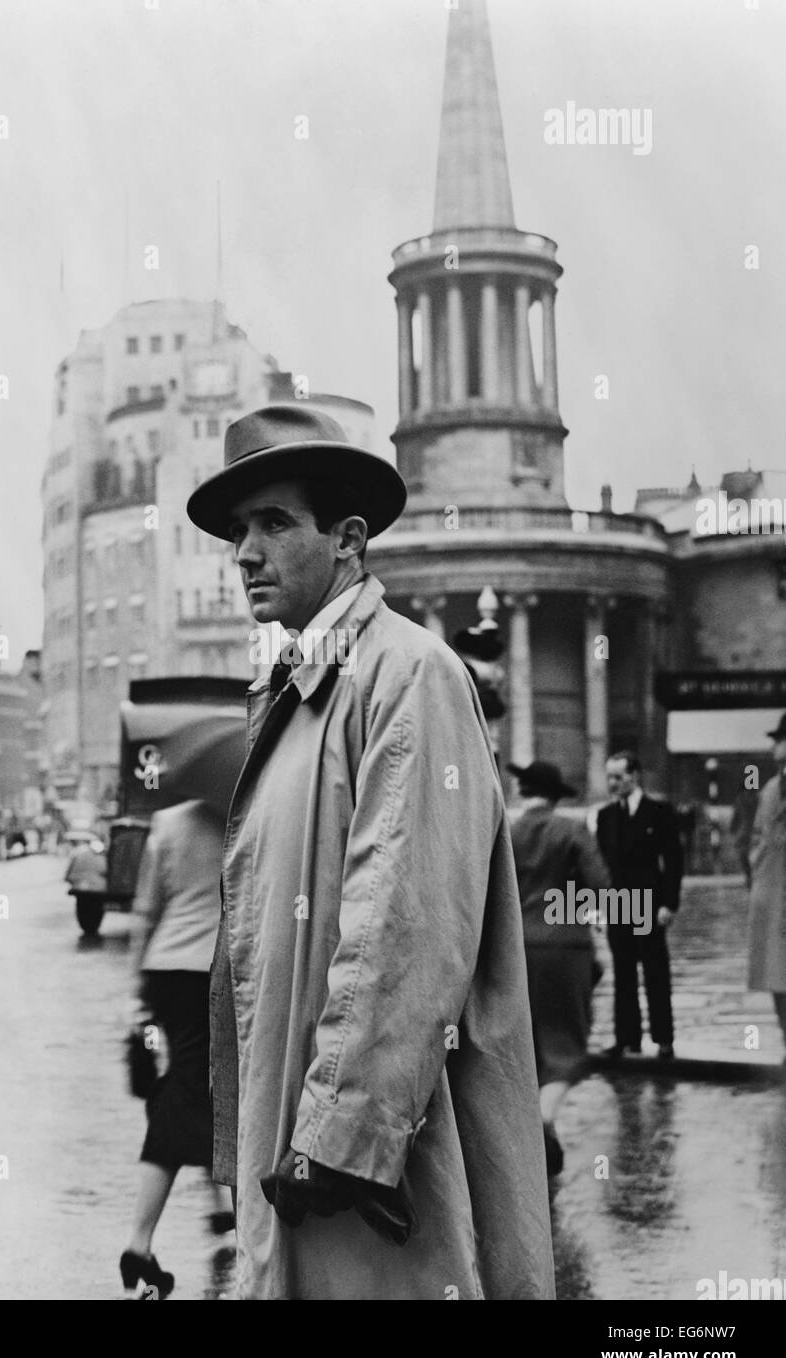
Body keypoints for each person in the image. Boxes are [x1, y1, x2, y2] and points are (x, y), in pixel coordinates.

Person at [186, 404, 554, 1301]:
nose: (244, 552)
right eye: (239, 530)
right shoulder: (294, 688)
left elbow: (405, 919)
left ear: (348, 539)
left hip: (368, 1170)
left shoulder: (406, 673)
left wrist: (342, 1136)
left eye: (274, 523)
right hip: (301, 1155)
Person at [120, 799, 233, 1300]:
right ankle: (137, 1248)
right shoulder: (241, 812)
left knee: (198, 1087)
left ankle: (220, 1213)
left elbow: (146, 911)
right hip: (210, 973)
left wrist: (133, 990)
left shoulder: (166, 822)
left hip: (164, 971)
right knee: (190, 1091)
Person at [507, 760, 611, 1177]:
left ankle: (524, 1135)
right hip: (565, 948)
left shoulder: (506, 833)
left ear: (524, 791)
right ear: (555, 795)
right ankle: (544, 1118)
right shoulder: (571, 830)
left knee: (526, 1044)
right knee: (565, 1042)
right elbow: (601, 886)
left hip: (514, 951)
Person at [596, 751, 684, 1062]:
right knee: (623, 974)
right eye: (609, 777)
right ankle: (626, 1039)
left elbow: (673, 860)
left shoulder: (659, 812)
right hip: (618, 906)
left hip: (650, 905)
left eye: (618, 777)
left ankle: (664, 1039)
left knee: (656, 972)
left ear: (635, 776)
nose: (613, 783)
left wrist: (669, 904)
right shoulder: (605, 817)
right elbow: (601, 865)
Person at [745, 714, 786, 1048]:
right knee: (776, 975)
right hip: (772, 893)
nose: (776, 748)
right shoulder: (771, 788)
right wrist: (756, 865)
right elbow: (758, 834)